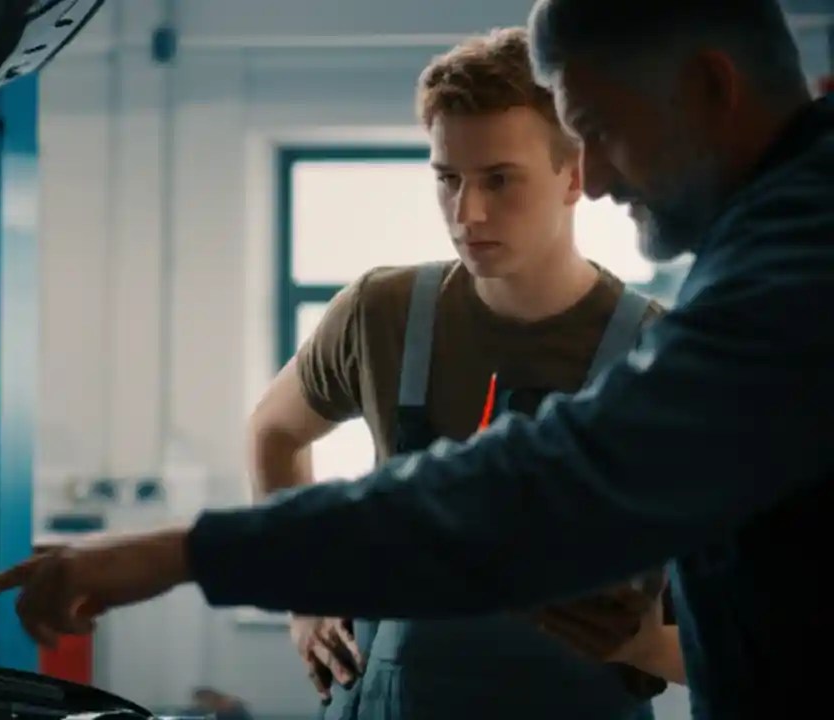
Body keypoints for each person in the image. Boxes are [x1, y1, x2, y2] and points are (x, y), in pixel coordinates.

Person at [0, 0, 832, 716]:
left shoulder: (791, 268)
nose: (598, 178)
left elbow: (547, 480)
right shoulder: (782, 231)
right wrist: (299, 595)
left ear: (711, 87)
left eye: (601, 133)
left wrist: (176, 555)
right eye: (448, 179)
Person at [246, 28, 670, 720]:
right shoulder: (380, 315)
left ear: (575, 174)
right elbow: (272, 429)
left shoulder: (658, 354)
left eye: (500, 179)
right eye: (448, 179)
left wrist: (646, 648)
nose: (466, 214)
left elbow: (764, 626)